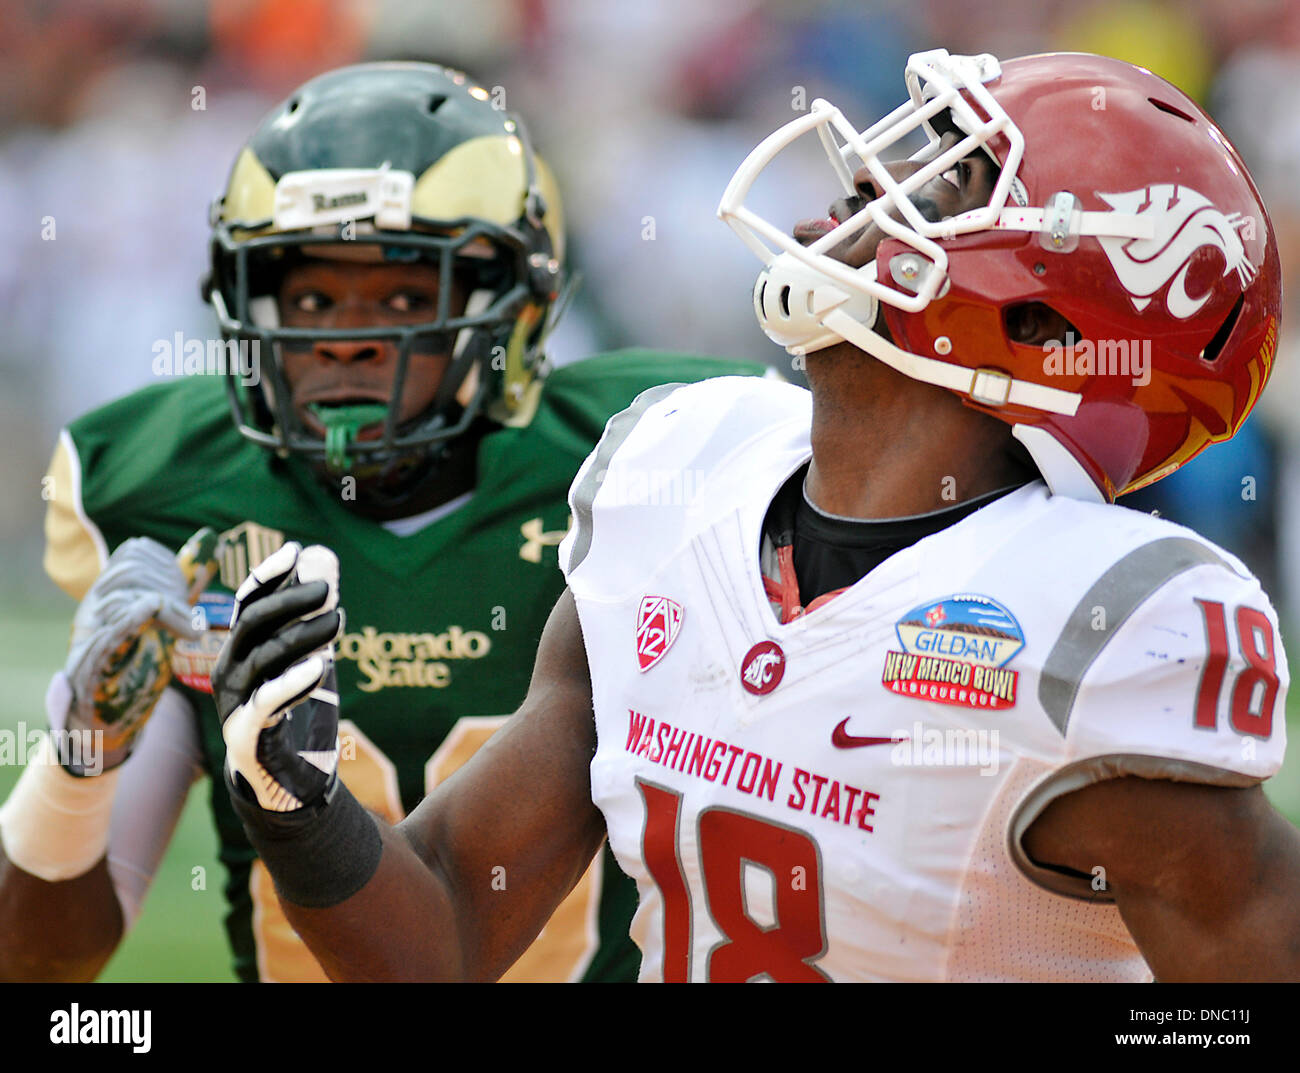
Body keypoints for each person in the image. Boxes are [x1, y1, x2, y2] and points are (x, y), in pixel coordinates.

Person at [210, 49, 1299, 982]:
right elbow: (442, 930)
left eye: (943, 177)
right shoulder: (680, 470)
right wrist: (298, 814)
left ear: (1038, 316)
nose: (870, 176)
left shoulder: (1103, 627)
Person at [0, 61, 768, 983]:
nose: (346, 339)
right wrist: (76, 765)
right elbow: (41, 965)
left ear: (511, 310)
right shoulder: (170, 488)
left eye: (404, 296)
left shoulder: (646, 458)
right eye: (312, 296)